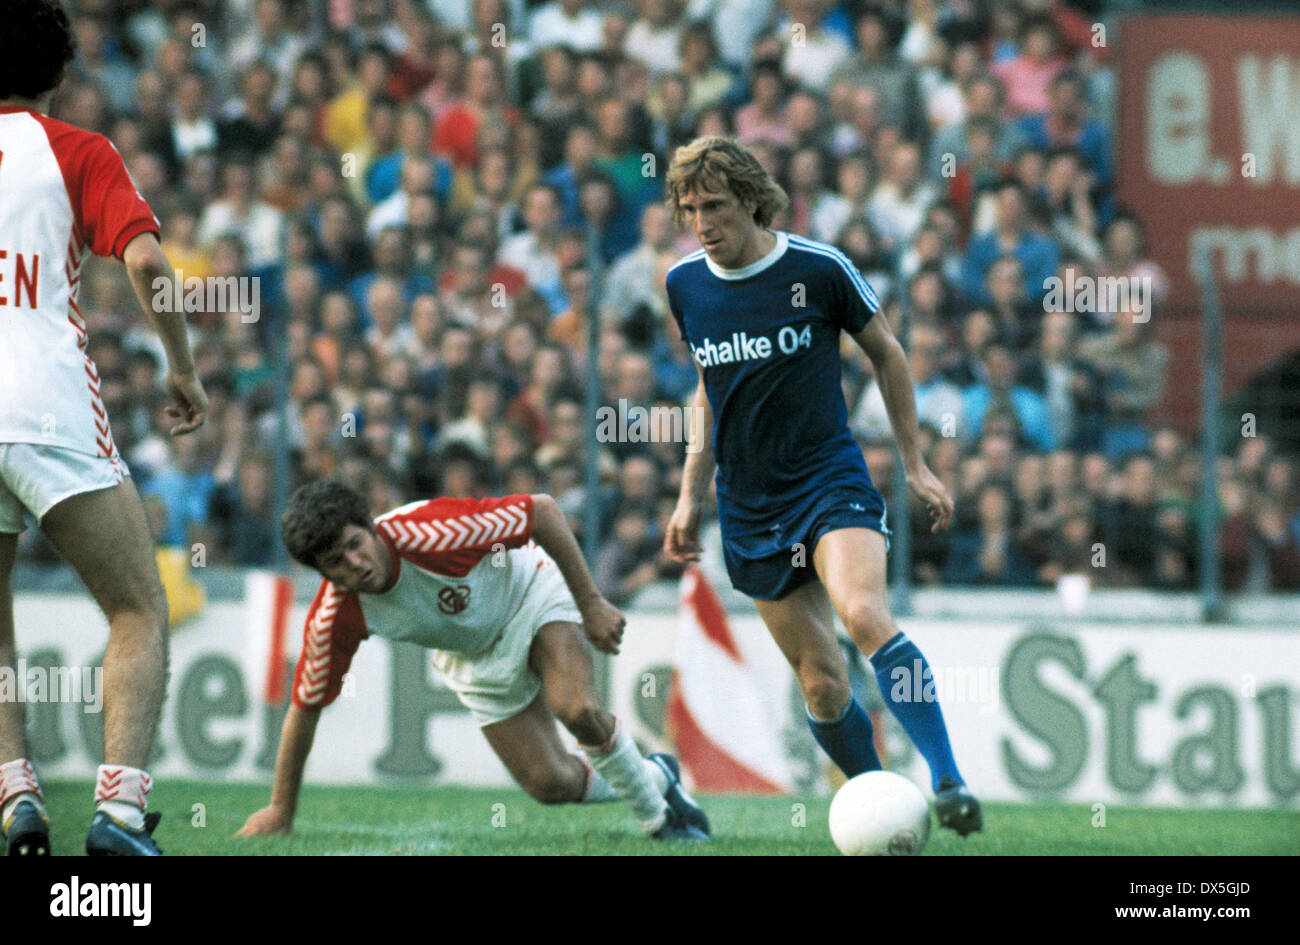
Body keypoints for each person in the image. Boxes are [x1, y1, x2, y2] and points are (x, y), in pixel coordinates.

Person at [660, 136, 981, 836]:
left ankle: (949, 776)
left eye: (714, 205)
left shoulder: (817, 267)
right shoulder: (685, 284)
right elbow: (709, 391)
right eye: (689, 209)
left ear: (750, 200)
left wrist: (916, 461)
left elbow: (888, 355)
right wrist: (691, 492)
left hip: (828, 478)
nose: (702, 221)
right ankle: (880, 808)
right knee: (822, 682)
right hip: (749, 503)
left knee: (864, 614)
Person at [0, 0, 208, 856]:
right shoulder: (76, 150)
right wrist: (182, 368)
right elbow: (149, 261)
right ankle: (120, 814)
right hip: (44, 402)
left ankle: (16, 803)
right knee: (136, 605)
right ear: (61, 73)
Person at [237, 479, 709, 842]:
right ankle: (657, 775)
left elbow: (542, 510)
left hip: (528, 595)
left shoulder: (432, 534)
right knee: (549, 784)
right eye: (335, 563)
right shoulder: (334, 614)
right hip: (473, 656)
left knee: (577, 709)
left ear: (371, 526)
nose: (354, 564)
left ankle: (660, 822)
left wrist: (591, 603)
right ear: (323, 574)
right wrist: (281, 808)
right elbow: (306, 704)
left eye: (355, 544)